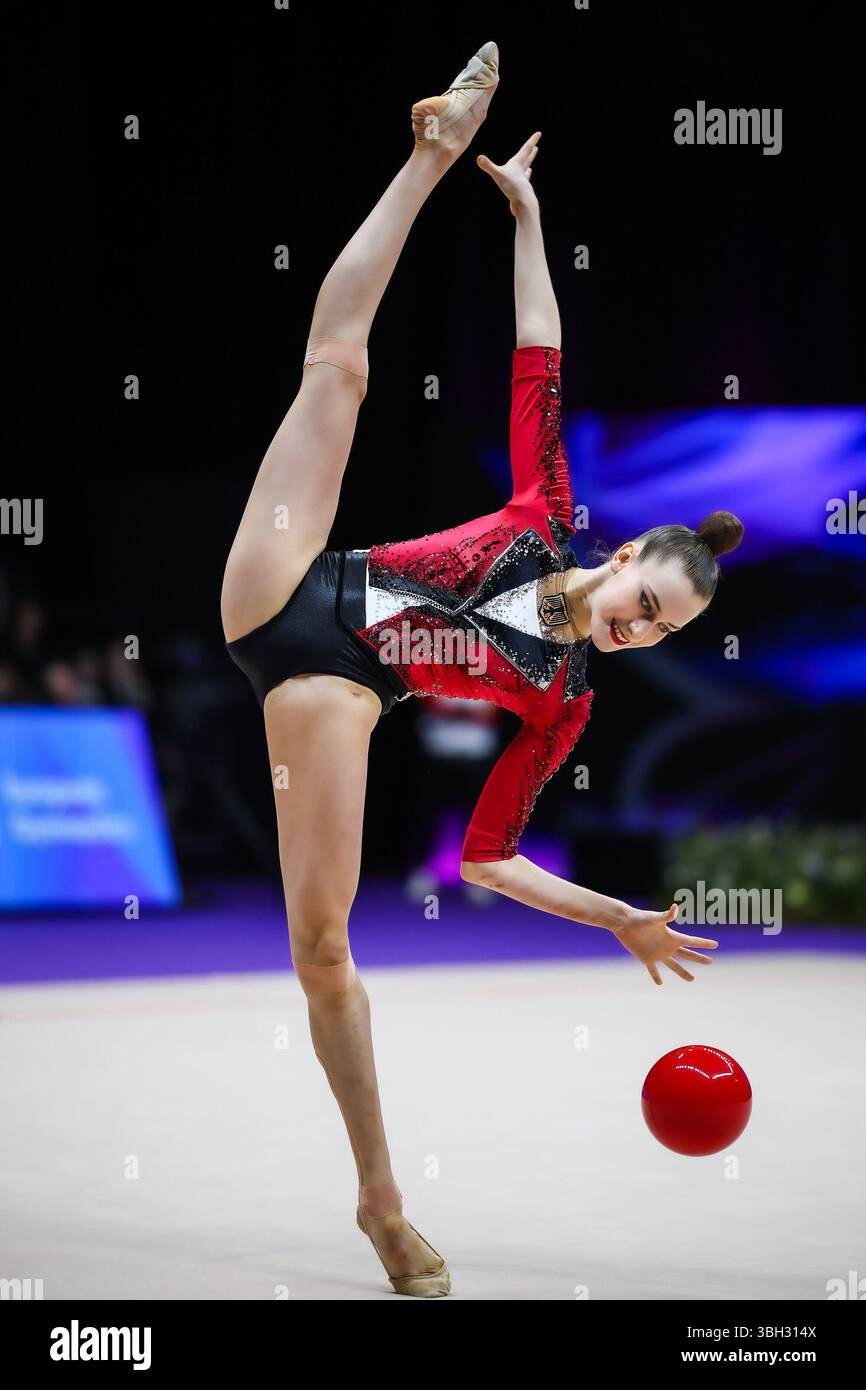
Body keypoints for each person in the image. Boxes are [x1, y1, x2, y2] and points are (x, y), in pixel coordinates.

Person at [221, 41, 741, 1297]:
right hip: (295, 579)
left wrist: (614, 915)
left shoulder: (562, 703)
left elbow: (489, 854)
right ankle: (426, 158)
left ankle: (380, 1204)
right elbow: (537, 342)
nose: (641, 628)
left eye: (663, 632)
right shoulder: (547, 500)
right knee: (337, 368)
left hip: (337, 681)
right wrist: (523, 210)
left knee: (322, 949)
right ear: (619, 557)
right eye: (647, 601)